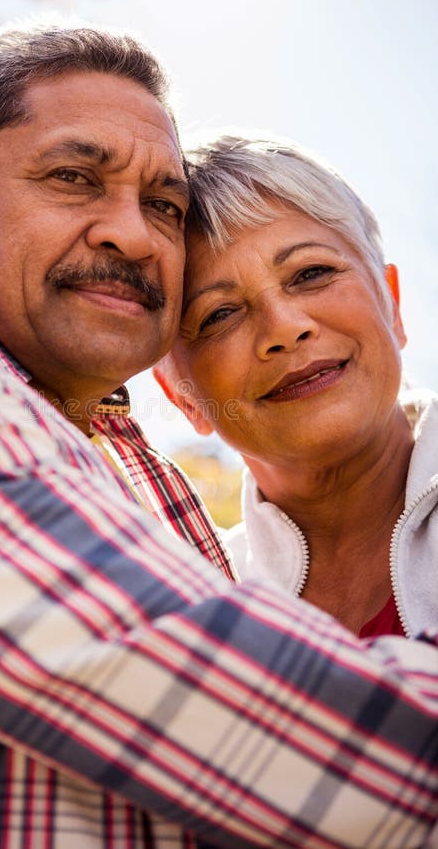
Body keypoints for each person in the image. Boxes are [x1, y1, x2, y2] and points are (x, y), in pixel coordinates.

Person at [0, 22, 437, 849]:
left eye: (163, 204)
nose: (130, 233)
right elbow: (367, 767)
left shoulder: (113, 480)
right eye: (74, 177)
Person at [155, 133, 437, 643]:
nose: (284, 327)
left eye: (312, 273)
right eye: (219, 314)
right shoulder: (190, 612)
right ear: (183, 397)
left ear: (392, 305)